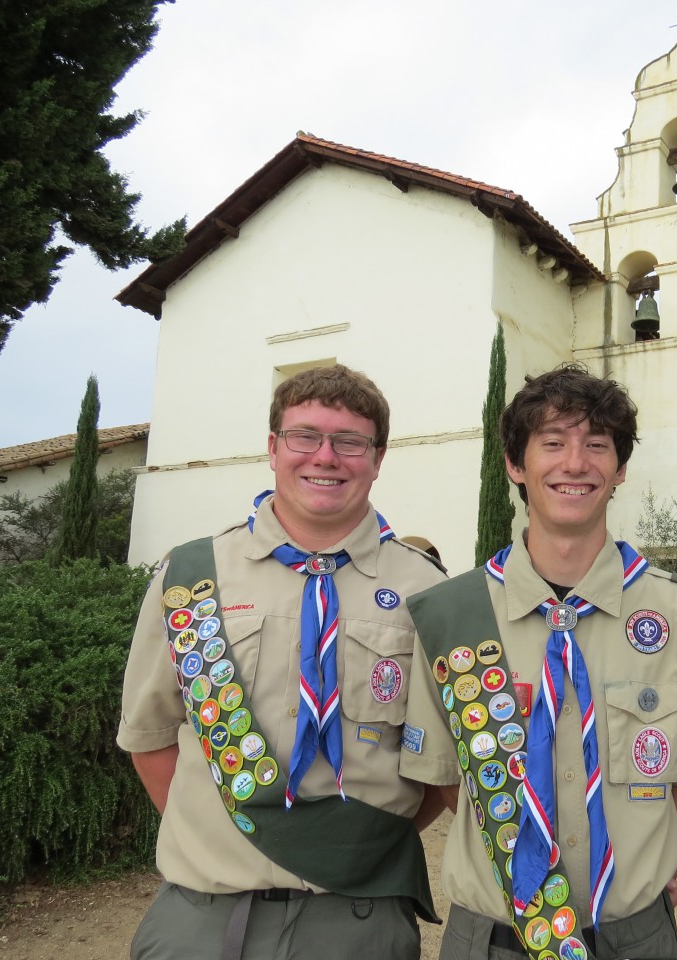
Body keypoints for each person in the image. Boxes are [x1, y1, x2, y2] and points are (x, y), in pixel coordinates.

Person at [402, 363, 677, 960]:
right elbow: (456, 785)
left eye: (597, 445)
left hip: (635, 938)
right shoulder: (452, 617)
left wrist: (639, 880)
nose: (575, 463)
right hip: (491, 938)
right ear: (515, 465)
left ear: (620, 468)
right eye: (552, 443)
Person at [118, 365, 447, 960]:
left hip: (357, 918)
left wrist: (343, 851)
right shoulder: (192, 576)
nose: (326, 456)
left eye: (350, 441)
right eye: (305, 436)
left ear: (377, 459)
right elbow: (151, 739)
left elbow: (436, 764)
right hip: (201, 917)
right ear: (273, 448)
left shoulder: (426, 591)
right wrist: (242, 836)